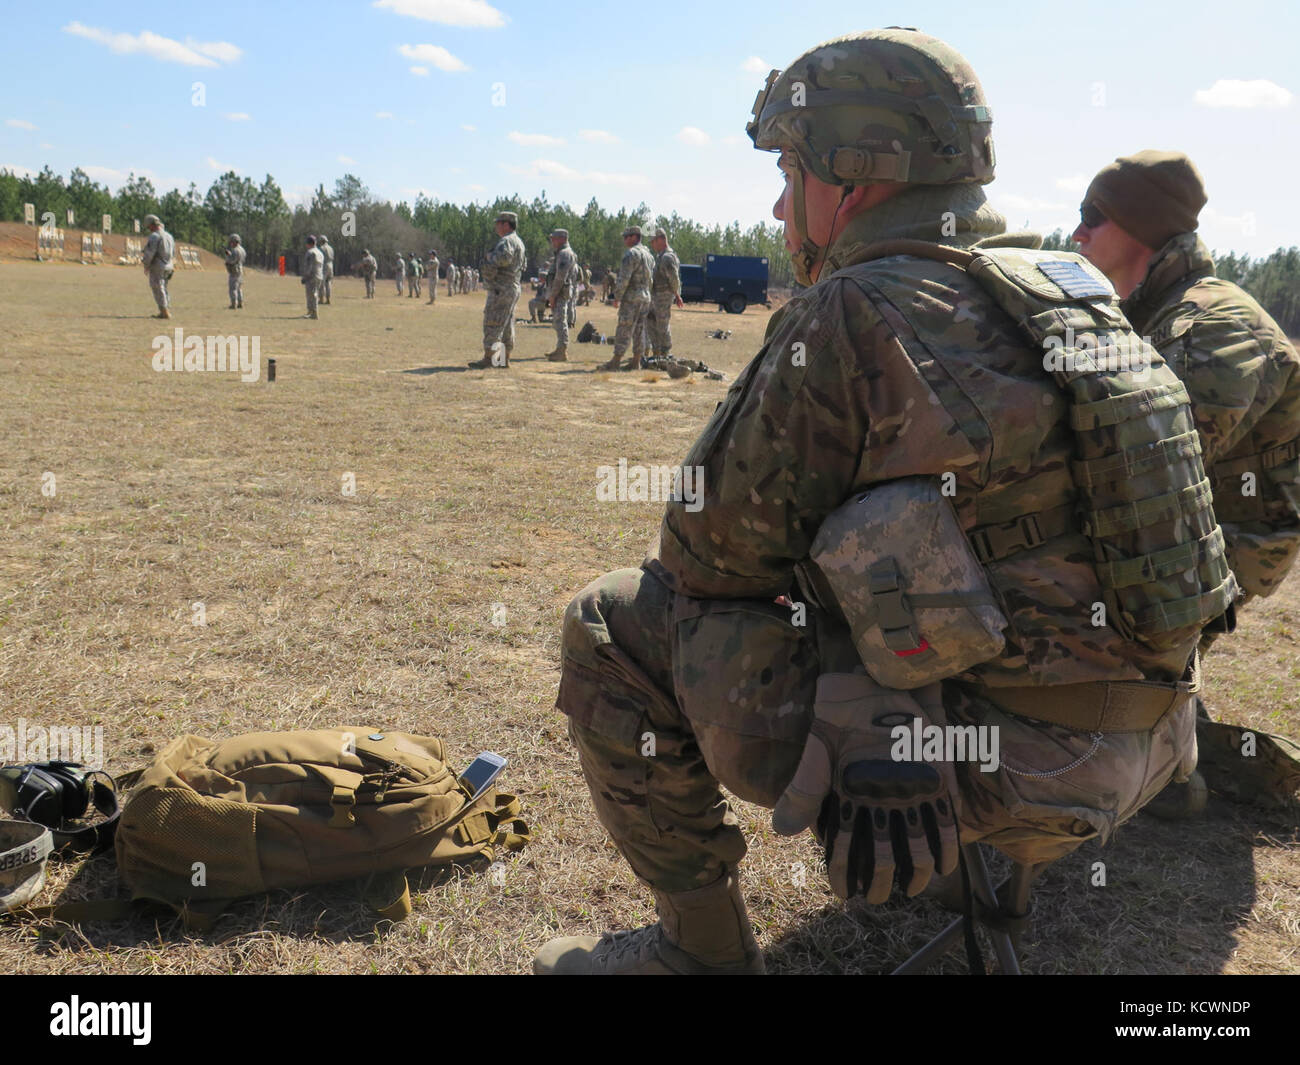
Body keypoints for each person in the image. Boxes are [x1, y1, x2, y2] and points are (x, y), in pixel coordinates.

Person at [533, 27, 1235, 975]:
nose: (783, 200)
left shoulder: (854, 311)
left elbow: (701, 564)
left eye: (792, 168)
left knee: (609, 626)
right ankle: (998, 882)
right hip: (1152, 742)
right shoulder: (1069, 292)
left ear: (852, 178)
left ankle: (695, 955)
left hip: (1002, 764)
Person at [1073, 151, 1300, 813]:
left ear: (1142, 229)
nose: (1077, 233)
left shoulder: (1214, 325)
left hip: (1236, 539)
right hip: (1190, 526)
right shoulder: (1156, 310)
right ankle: (1152, 728)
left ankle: (1168, 767)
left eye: (1093, 217)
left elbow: (1148, 468)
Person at [469, 211, 526, 369]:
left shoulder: (506, 241)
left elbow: (502, 259)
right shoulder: (518, 242)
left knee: (493, 322)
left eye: (498, 223)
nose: (495, 226)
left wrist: (489, 258)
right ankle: (503, 359)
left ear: (506, 224)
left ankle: (491, 358)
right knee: (506, 325)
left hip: (501, 288)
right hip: (512, 287)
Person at [602, 226, 654, 371]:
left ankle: (616, 361)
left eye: (626, 237)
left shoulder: (631, 254)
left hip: (631, 298)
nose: (624, 240)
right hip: (645, 297)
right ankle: (636, 361)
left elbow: (624, 279)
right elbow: (651, 279)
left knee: (624, 327)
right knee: (640, 330)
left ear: (634, 237)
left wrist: (617, 296)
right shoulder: (648, 255)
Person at [647, 227, 684, 357]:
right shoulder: (660, 257)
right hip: (655, 296)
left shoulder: (667, 257)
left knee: (662, 323)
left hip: (664, 295)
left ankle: (665, 352)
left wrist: (677, 295)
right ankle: (656, 350)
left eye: (654, 241)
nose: (652, 244)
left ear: (662, 240)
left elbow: (674, 279)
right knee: (650, 320)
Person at [544, 229, 580, 362]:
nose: (552, 241)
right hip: (560, 292)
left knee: (560, 320)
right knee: (558, 320)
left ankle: (562, 351)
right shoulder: (562, 253)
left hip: (560, 292)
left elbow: (560, 277)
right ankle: (560, 349)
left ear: (562, 238)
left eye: (554, 238)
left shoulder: (565, 254)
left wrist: (553, 295)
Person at [141, 213, 175, 319]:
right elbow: (173, 253)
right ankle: (166, 308)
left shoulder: (155, 236)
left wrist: (146, 264)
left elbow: (150, 253)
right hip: (169, 265)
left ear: (151, 225)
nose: (148, 229)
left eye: (148, 226)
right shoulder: (169, 236)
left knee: (157, 287)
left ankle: (164, 311)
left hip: (158, 266)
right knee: (164, 287)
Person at [301, 235, 324, 319]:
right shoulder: (320, 252)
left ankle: (314, 313)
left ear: (308, 243)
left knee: (311, 295)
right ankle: (311, 312)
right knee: (314, 293)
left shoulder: (310, 252)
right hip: (319, 275)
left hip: (311, 276)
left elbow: (309, 266)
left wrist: (305, 276)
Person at [224, 233, 246, 309]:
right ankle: (240, 302)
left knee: (233, 288)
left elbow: (232, 260)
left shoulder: (235, 250)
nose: (230, 244)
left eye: (231, 242)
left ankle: (234, 304)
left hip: (234, 270)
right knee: (239, 288)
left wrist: (228, 256)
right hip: (240, 270)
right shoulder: (242, 249)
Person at [318, 234, 335, 305]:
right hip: (331, 265)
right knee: (328, 283)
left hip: (324, 265)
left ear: (321, 241)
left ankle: (321, 299)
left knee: (322, 283)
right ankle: (328, 299)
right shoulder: (331, 248)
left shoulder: (321, 248)